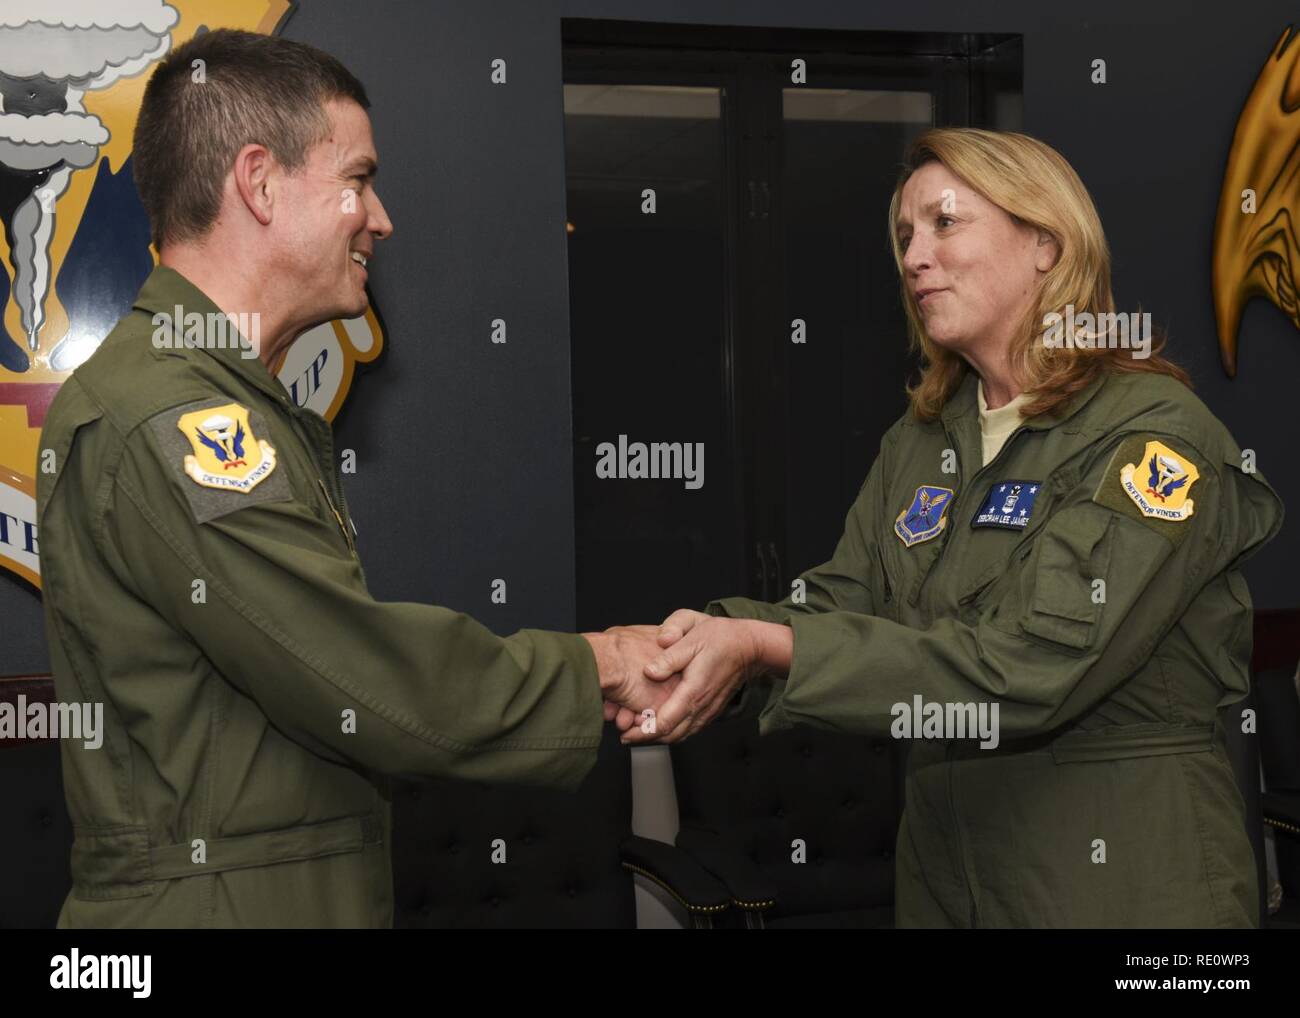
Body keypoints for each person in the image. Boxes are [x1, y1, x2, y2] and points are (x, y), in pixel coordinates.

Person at [36, 29, 671, 928]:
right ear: (258, 183)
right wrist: (598, 667)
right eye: (358, 179)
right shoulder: (172, 417)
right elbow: (358, 674)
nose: (381, 217)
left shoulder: (229, 399)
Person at [616, 128, 1286, 928]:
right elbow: (841, 607)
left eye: (944, 223)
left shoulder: (1154, 435)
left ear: (1046, 243)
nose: (912, 257)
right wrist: (699, 642)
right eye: (904, 236)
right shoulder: (925, 437)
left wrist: (764, 647)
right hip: (944, 874)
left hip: (1122, 880)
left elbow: (1032, 668)